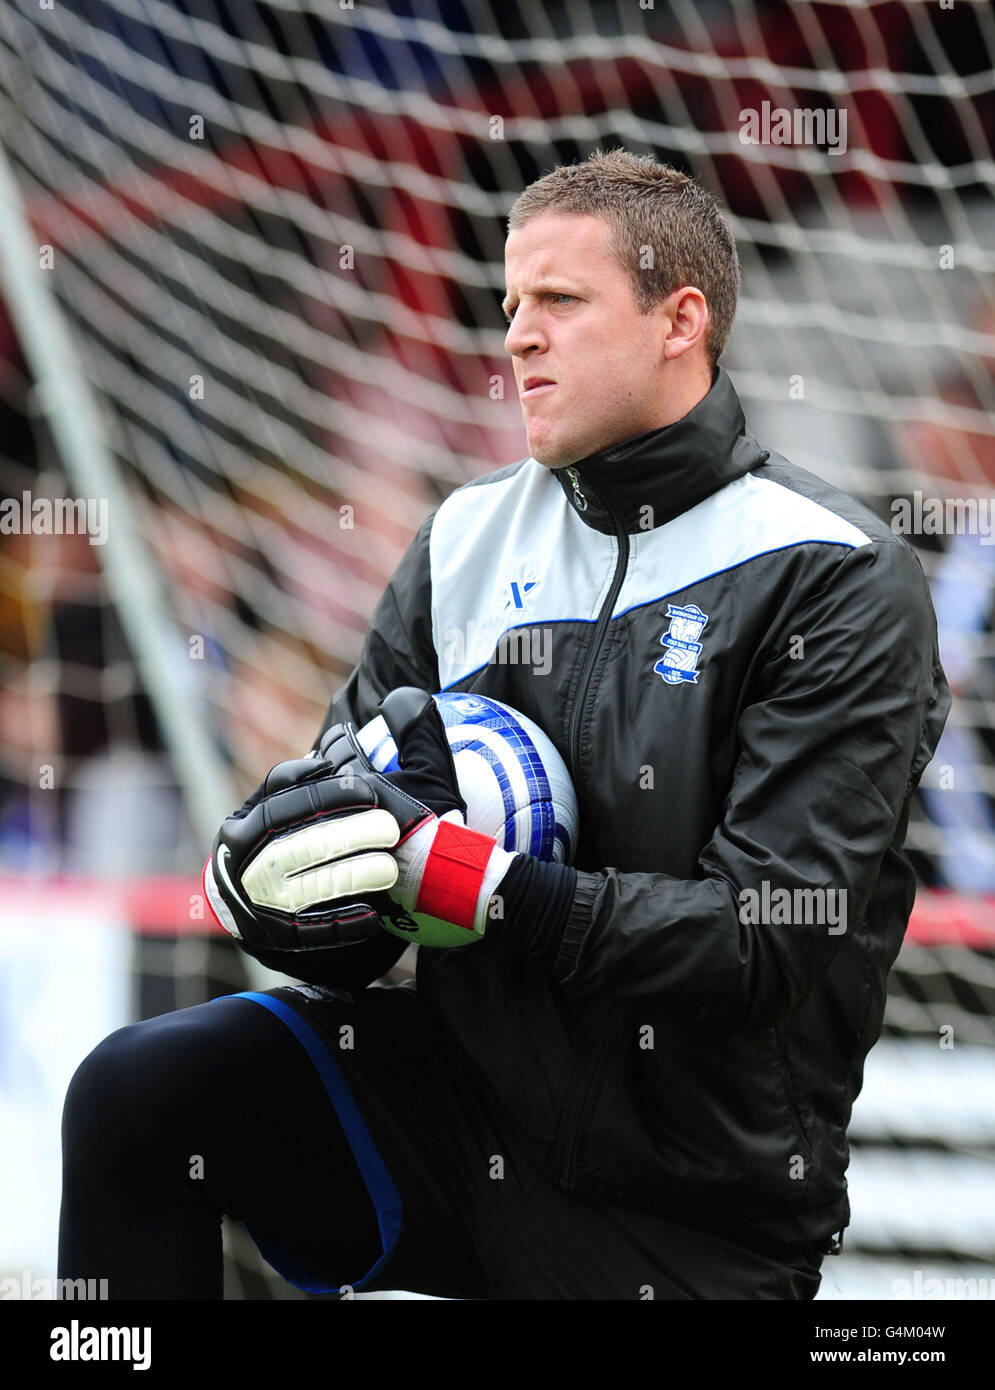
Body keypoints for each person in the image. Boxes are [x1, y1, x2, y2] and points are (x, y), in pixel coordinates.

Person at [58, 149, 950, 1301]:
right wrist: (275, 886)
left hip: (689, 1202)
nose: (518, 336)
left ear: (680, 320)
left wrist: (485, 887)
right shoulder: (461, 541)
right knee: (140, 1093)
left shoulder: (832, 575)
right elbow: (358, 847)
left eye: (560, 302)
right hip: (451, 1103)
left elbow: (762, 940)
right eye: (510, 306)